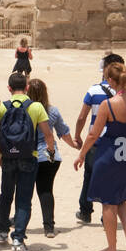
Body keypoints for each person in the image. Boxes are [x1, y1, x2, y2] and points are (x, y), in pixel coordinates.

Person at [73, 62, 126, 251]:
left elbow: (93, 135)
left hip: (110, 154)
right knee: (120, 196)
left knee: (108, 201)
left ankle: (112, 247)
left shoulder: (108, 104)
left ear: (113, 81)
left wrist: (81, 155)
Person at [0, 73, 57, 251]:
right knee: (23, 199)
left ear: (9, 88)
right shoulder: (36, 107)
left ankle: (3, 230)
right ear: (27, 88)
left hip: (8, 157)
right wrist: (50, 151)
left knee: (6, 194)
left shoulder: (3, 107)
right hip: (30, 156)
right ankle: (18, 239)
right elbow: (48, 134)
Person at [74, 53, 125, 225]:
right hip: (117, 142)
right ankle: (108, 215)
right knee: (112, 178)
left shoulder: (93, 90)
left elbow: (82, 117)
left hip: (95, 142)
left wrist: (77, 135)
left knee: (89, 175)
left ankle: (85, 211)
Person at [28, 78, 77, 240]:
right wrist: (76, 145)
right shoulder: (53, 111)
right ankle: (49, 227)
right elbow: (63, 132)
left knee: (24, 189)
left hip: (30, 155)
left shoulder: (25, 110)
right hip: (51, 156)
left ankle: (18, 219)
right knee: (46, 190)